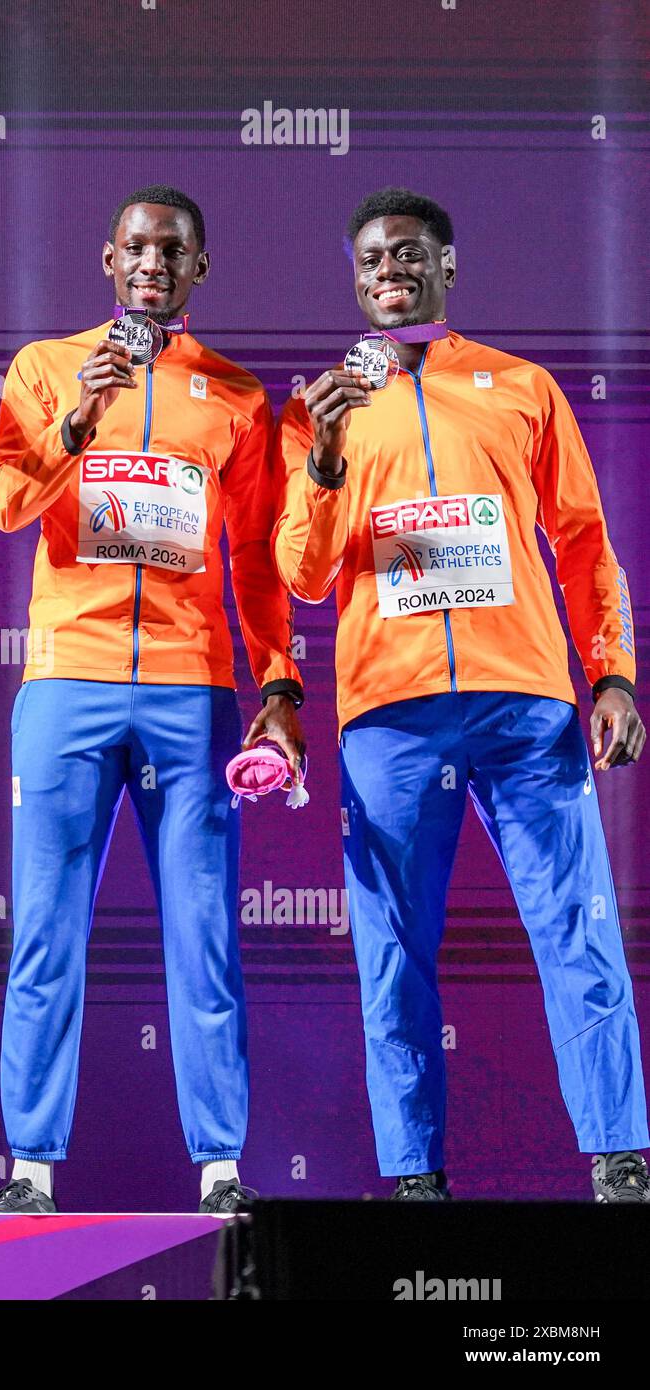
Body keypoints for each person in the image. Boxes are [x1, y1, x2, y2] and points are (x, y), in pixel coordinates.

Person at [274, 186, 648, 1202]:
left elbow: (581, 540)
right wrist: (317, 462)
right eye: (368, 259)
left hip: (523, 700)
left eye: (405, 252)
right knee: (391, 948)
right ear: (353, 282)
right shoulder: (320, 412)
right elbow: (300, 574)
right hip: (389, 714)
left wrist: (609, 669)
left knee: (575, 921)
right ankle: (413, 1176)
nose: (386, 269)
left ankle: (619, 1158)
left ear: (446, 265)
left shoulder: (520, 387)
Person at [0, 186, 305, 1214]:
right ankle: (29, 1170)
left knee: (201, 932)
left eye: (172, 250)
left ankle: (219, 1169)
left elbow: (255, 560)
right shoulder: (43, 368)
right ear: (106, 259)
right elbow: (2, 506)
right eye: (134, 247)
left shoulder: (237, 398)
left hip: (191, 689)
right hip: (66, 682)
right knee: (45, 930)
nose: (152, 263)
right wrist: (78, 415)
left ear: (198, 269)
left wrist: (279, 685)